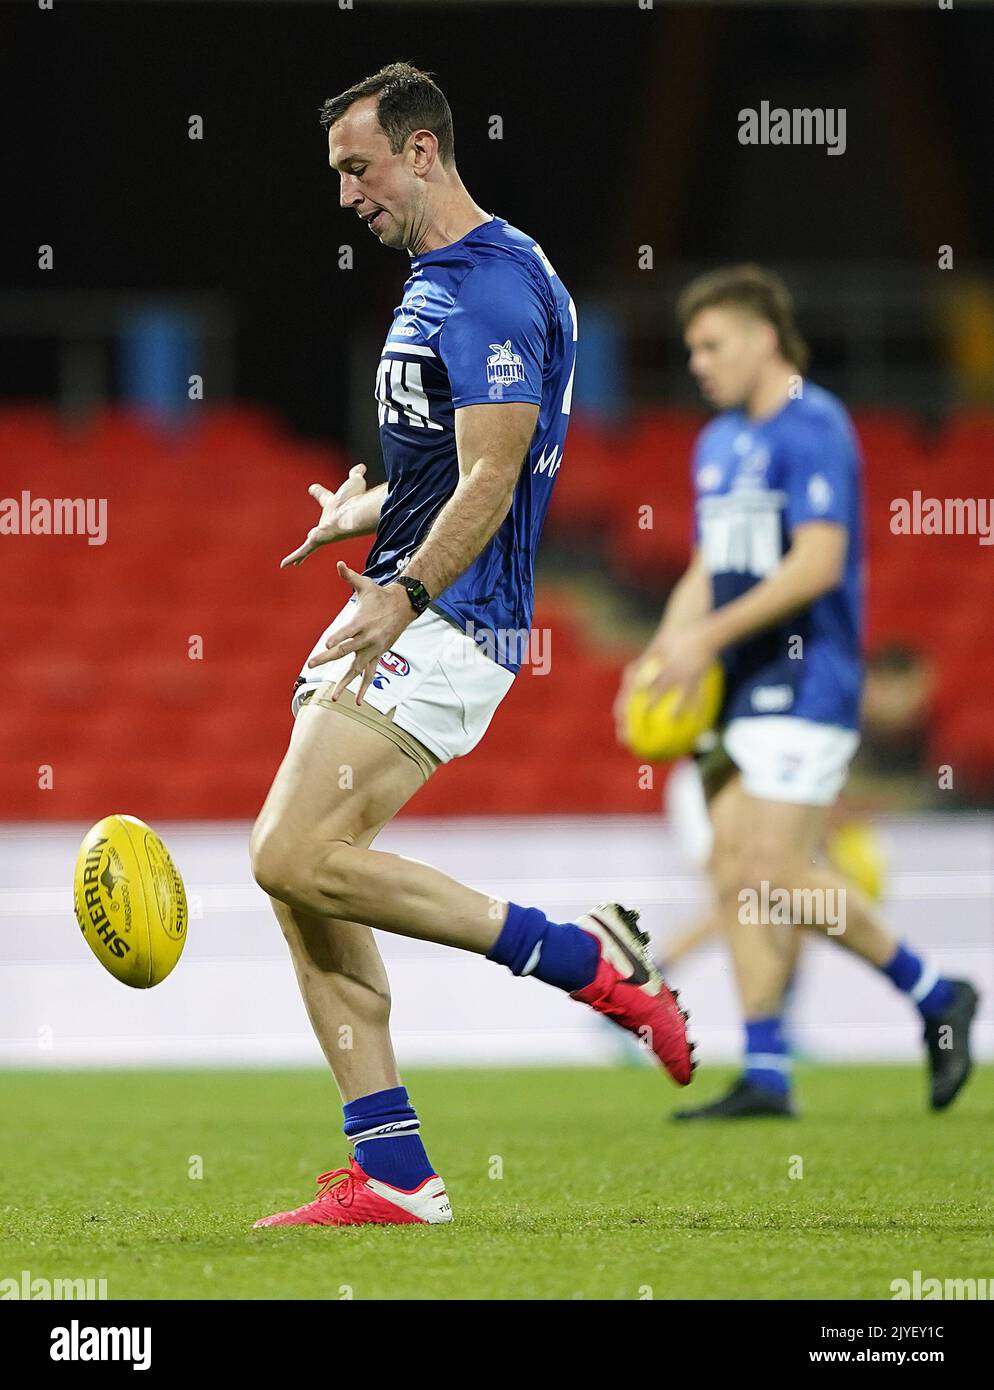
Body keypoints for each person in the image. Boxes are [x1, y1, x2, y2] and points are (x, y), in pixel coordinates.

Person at [249, 62, 693, 1229]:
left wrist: (398, 585)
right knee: (307, 892)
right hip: (409, 598)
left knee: (286, 853)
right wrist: (373, 509)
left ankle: (588, 958)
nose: (346, 195)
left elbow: (495, 477)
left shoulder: (488, 287)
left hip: (449, 620)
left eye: (359, 167)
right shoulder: (454, 279)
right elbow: (462, 461)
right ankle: (394, 1171)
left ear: (425, 150)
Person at [614, 264, 977, 1120]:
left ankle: (934, 991)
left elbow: (816, 562)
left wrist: (704, 638)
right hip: (735, 685)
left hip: (807, 673)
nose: (697, 362)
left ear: (764, 337)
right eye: (691, 347)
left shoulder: (814, 425)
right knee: (737, 873)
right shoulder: (718, 444)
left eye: (712, 344)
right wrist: (669, 642)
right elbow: (712, 564)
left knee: (776, 869)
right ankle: (768, 1069)